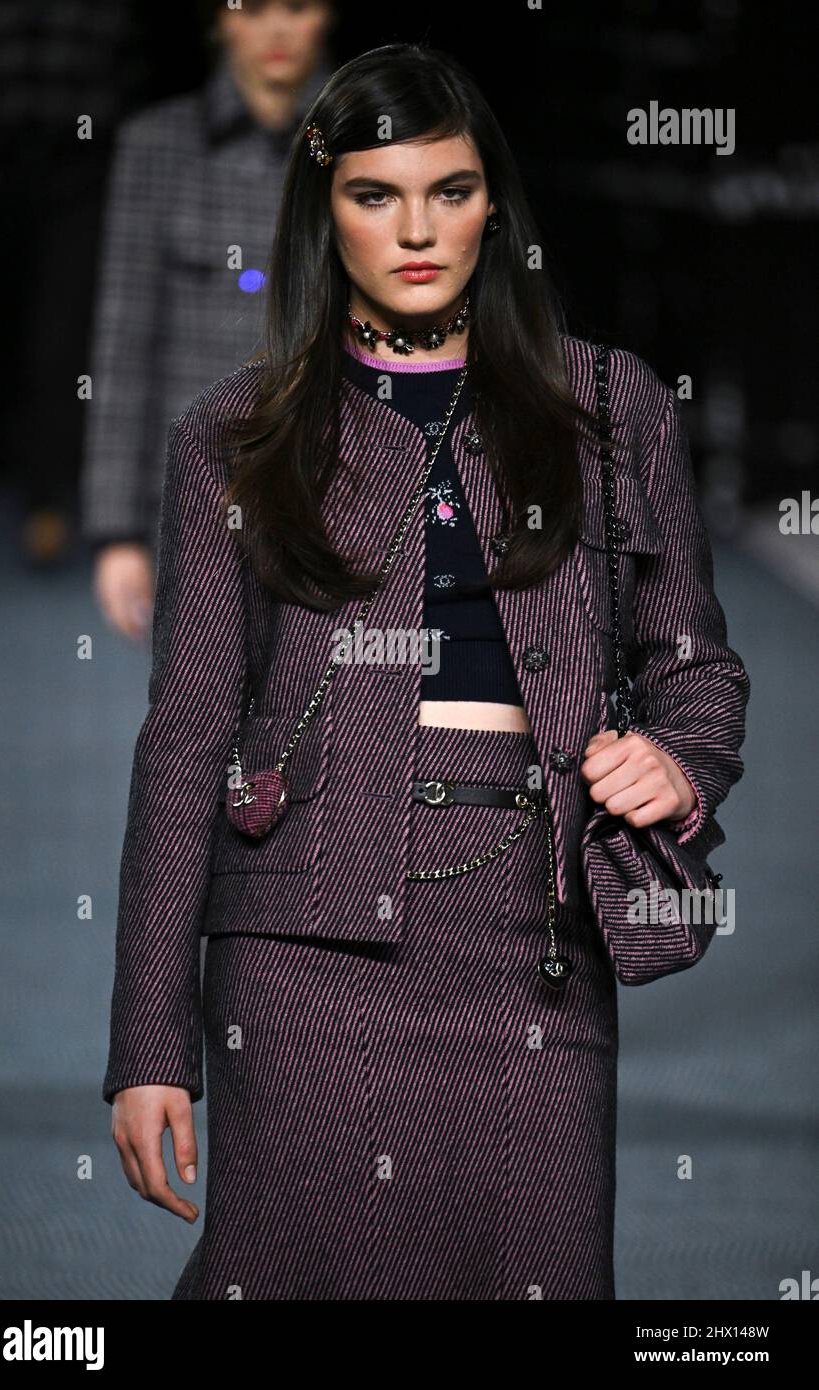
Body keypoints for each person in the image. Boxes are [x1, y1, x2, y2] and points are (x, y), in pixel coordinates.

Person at [102, 42, 750, 1301]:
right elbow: (186, 741)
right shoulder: (233, 436)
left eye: (448, 192)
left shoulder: (612, 411)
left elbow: (694, 667)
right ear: (320, 208)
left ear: (492, 205)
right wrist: (147, 1043)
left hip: (533, 929)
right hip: (302, 941)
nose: (416, 230)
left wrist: (676, 762)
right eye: (373, 194)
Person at [82, 0, 336, 637]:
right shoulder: (155, 146)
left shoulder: (367, 140)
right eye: (251, 8)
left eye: (297, 7)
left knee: (338, 728)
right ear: (218, 20)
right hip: (194, 498)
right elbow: (123, 336)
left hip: (337, 487)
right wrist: (117, 532)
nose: (276, 28)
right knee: (198, 724)